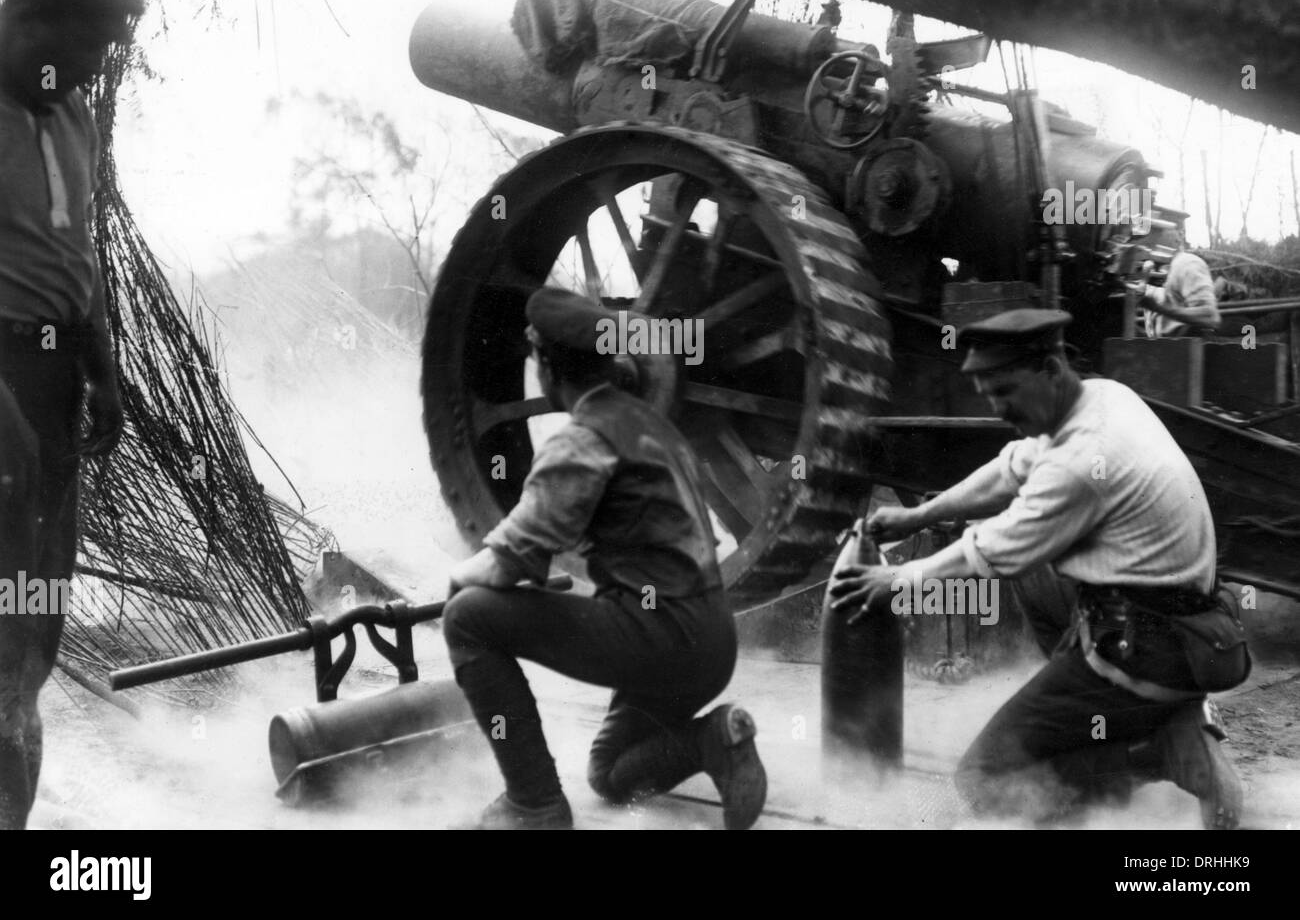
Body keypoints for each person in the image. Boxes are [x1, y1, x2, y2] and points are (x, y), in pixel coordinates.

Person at [828, 308, 1246, 829]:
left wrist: (897, 580)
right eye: (990, 397)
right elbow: (1010, 469)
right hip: (1174, 621)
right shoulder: (1103, 397)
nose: (1000, 409)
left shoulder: (1084, 460)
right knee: (1036, 577)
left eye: (1006, 392)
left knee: (982, 783)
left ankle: (1154, 748)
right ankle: (1142, 718)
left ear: (1050, 369)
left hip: (1148, 648)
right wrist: (921, 515)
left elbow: (994, 550)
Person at [441, 288, 767, 830]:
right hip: (712, 641)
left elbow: (507, 563)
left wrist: (457, 578)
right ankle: (714, 741)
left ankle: (533, 804)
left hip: (660, 638)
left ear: (546, 365)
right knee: (610, 774)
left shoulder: (582, 440)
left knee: (468, 616)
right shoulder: (655, 425)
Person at [0, 0, 140, 828]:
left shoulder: (72, 115)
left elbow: (75, 255)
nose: (94, 69)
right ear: (27, 24)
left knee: (36, 603)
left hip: (51, 386)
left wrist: (102, 370)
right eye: (86, 48)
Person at [1135, 232, 1221, 338]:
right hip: (1167, 348)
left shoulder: (1187, 264)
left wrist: (1160, 308)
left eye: (1156, 232)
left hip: (1190, 348)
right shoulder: (1153, 269)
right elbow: (1161, 329)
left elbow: (1209, 317)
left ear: (1176, 239)